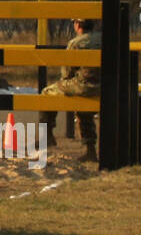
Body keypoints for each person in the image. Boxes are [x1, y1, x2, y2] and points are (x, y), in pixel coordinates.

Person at [41, 18, 101, 162]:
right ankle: (90, 150)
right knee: (83, 108)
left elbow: (66, 73)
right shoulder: (105, 39)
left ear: (78, 24)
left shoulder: (76, 43)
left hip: (83, 86)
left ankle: (47, 136)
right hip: (107, 86)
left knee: (46, 93)